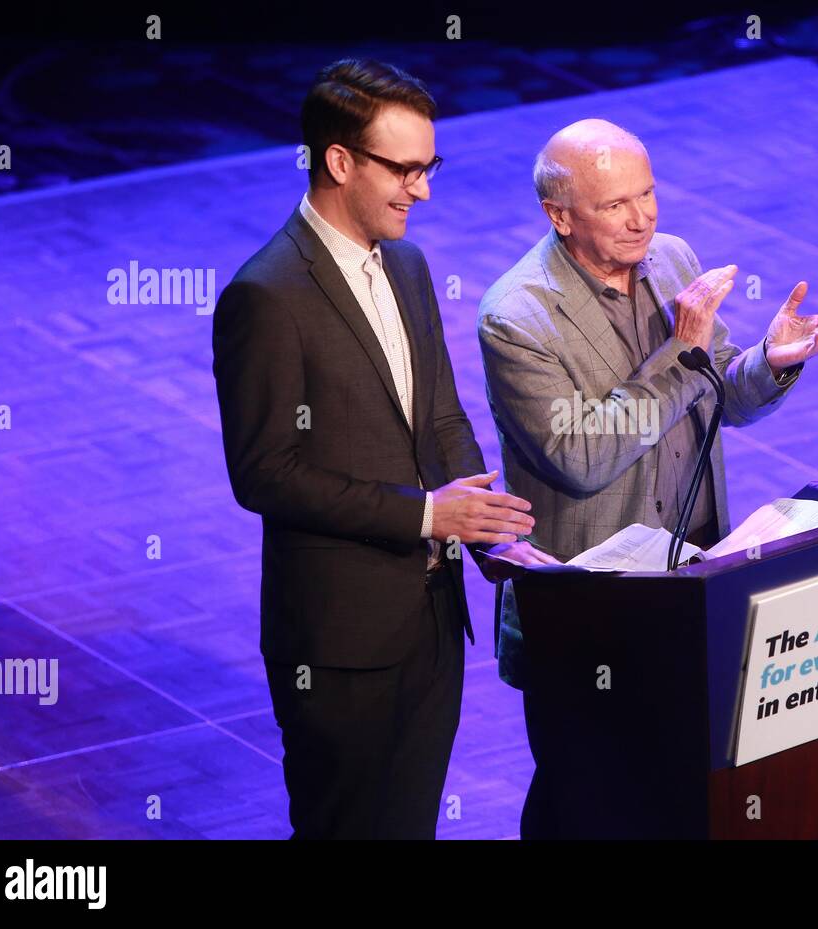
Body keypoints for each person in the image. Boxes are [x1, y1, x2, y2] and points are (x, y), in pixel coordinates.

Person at [477, 118, 818, 836]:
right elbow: (581, 454)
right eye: (615, 204)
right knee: (589, 806)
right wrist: (682, 355)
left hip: (694, 580)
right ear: (560, 216)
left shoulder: (674, 259)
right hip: (588, 608)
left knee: (683, 799)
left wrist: (771, 360)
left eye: (648, 193)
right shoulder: (516, 315)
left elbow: (719, 395)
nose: (642, 216)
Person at [212, 58, 550, 839]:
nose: (422, 189)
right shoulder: (266, 295)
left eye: (429, 167)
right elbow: (265, 472)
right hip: (340, 644)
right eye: (404, 169)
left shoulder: (407, 263)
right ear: (339, 161)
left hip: (432, 626)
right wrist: (430, 515)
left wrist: (487, 519)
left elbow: (437, 415)